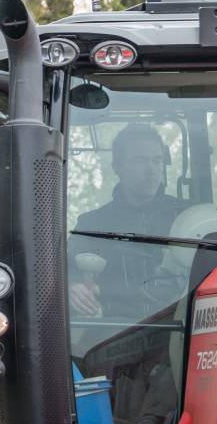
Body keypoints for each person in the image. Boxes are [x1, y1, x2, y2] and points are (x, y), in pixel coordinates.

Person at [69, 123, 185, 319]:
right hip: (113, 333)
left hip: (178, 330)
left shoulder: (185, 218)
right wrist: (72, 287)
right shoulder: (92, 224)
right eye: (141, 161)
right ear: (118, 167)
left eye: (157, 161)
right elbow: (63, 272)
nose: (152, 169)